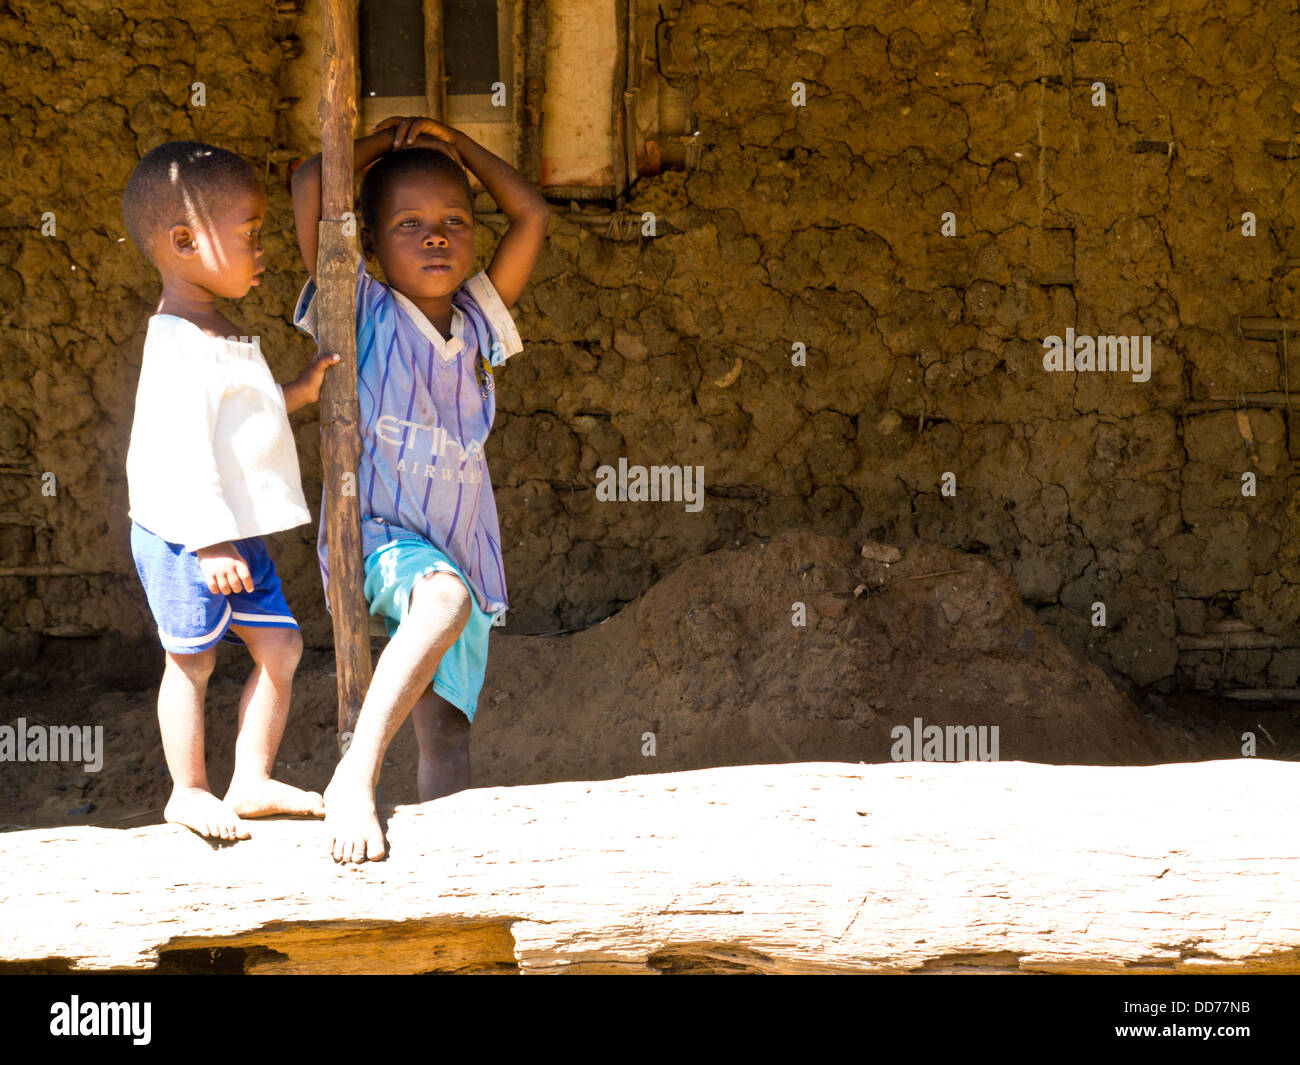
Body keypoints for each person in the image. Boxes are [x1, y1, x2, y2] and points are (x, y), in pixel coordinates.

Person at [291, 116, 549, 862]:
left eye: (454, 221)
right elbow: (309, 183)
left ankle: (447, 873)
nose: (437, 236)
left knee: (448, 728)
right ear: (369, 242)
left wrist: (457, 147)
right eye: (408, 223)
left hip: (458, 550)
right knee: (442, 599)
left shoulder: (477, 322)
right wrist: (385, 145)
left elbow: (531, 212)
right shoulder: (359, 308)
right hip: (379, 538)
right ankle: (355, 776)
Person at [123, 141, 338, 841]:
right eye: (249, 234)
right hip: (189, 532)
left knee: (280, 648)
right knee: (191, 658)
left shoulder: (215, 327)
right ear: (185, 241)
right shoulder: (175, 342)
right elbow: (180, 449)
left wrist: (294, 394)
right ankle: (188, 790)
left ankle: (251, 779)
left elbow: (233, 417)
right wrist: (210, 539)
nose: (263, 248)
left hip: (228, 528)